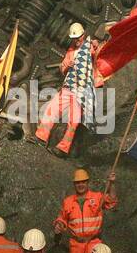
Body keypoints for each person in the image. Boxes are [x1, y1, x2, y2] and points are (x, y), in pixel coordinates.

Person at [34, 22, 101, 156]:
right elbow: (62, 67)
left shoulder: (90, 48)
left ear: (83, 35)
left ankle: (64, 148)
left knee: (74, 119)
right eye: (74, 38)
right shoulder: (71, 51)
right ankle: (41, 137)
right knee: (52, 109)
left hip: (81, 90)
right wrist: (66, 66)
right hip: (68, 87)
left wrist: (95, 45)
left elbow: (98, 54)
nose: (76, 40)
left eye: (78, 37)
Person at [53, 168, 117, 253]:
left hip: (94, 242)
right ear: (74, 184)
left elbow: (112, 201)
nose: (80, 184)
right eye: (78, 182)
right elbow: (62, 218)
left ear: (87, 183)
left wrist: (112, 183)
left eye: (83, 182)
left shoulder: (97, 197)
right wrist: (59, 225)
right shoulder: (68, 201)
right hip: (76, 244)